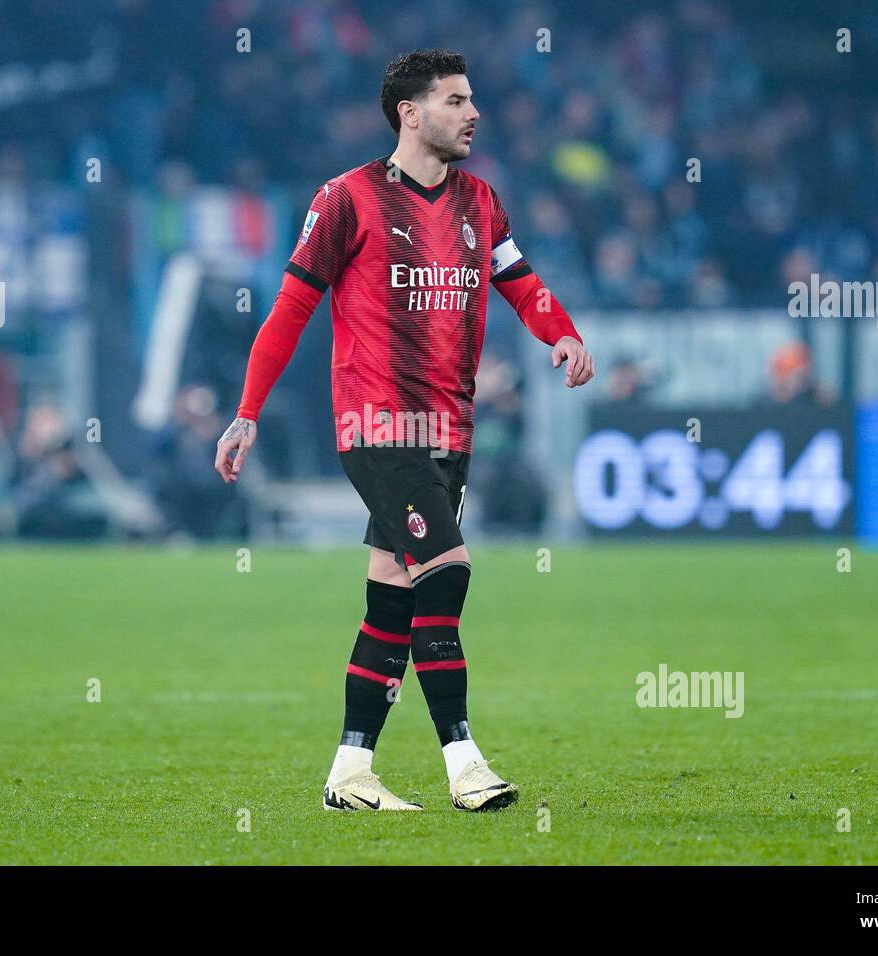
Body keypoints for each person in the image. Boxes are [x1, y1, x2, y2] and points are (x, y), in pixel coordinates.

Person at [214, 50, 594, 812]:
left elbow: (521, 283)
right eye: (456, 100)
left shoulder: (481, 203)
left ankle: (351, 773)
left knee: (391, 601)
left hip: (449, 430)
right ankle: (465, 764)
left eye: (473, 99)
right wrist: (247, 410)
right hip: (377, 424)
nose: (473, 112)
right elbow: (289, 311)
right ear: (409, 113)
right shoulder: (346, 199)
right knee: (447, 571)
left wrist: (564, 332)